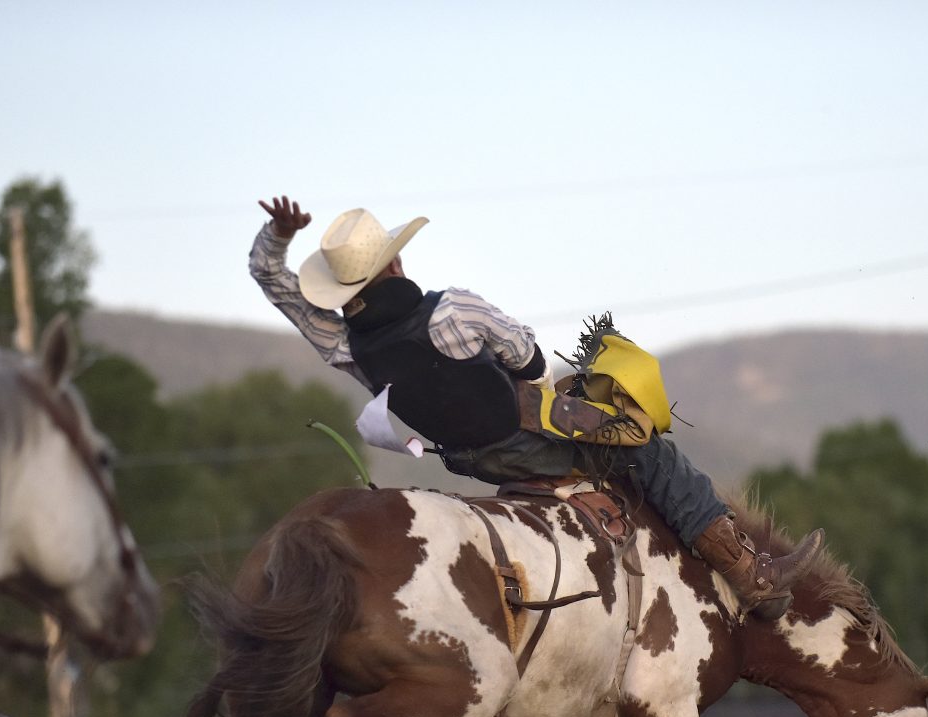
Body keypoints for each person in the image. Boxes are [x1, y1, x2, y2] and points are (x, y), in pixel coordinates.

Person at [249, 196, 823, 619]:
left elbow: (269, 279)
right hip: (527, 444)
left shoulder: (344, 344)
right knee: (650, 453)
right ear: (395, 266)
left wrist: (278, 235)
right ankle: (751, 577)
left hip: (468, 462)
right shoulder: (454, 311)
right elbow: (526, 358)